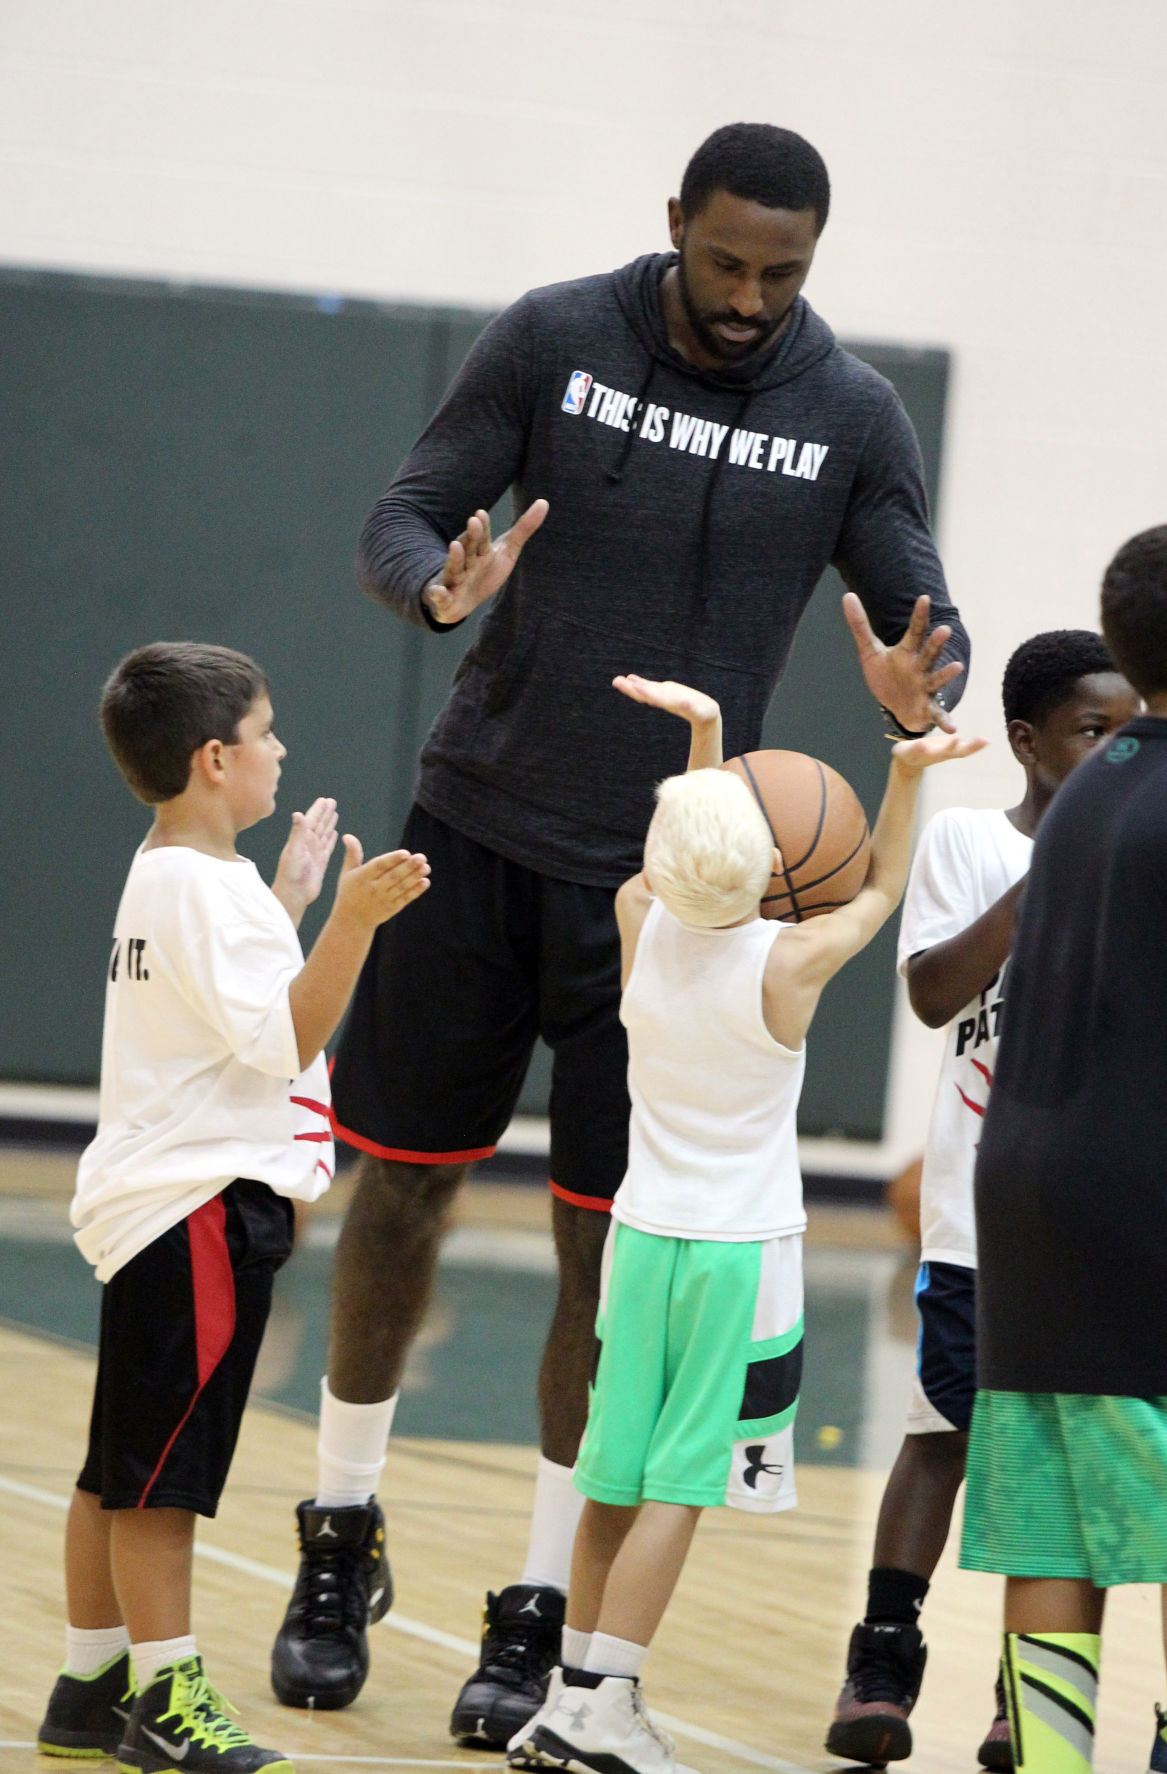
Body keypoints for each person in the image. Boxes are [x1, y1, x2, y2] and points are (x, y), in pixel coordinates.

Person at [269, 120, 971, 1744]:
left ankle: (534, 1607)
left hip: (670, 896)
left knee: (609, 1257)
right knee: (399, 1198)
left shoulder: (848, 412)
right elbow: (409, 512)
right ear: (674, 225)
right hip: (480, 828)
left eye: (778, 273)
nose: (743, 297)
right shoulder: (551, 334)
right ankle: (340, 1529)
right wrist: (435, 590)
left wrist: (920, 679)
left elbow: (918, 598)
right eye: (721, 262)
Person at [500, 672, 984, 1774]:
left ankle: (569, 1696)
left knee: (610, 1473)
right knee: (684, 1480)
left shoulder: (640, 918)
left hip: (641, 1239)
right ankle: (610, 1702)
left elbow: (681, 833)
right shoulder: (792, 960)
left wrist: (709, 737)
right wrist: (903, 775)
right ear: (773, 873)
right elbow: (883, 881)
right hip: (736, 1253)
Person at [35, 643, 429, 1774]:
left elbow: (234, 1010)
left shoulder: (173, 872)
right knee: (163, 1481)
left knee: (121, 1461)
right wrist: (349, 920)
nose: (280, 749)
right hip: (200, 1207)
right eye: (266, 732)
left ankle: (91, 1674)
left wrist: (292, 899)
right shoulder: (206, 894)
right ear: (215, 758)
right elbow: (288, 1035)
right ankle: (167, 1698)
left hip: (157, 1202)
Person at [822, 632, 1138, 1772]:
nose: (1112, 751)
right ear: (1026, 741)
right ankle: (882, 1658)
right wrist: (1048, 883)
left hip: (1103, 1221)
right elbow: (929, 990)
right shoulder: (968, 841)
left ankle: (1028, 1701)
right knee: (941, 1432)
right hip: (977, 1211)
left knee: (1073, 1463)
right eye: (1089, 731)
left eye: (1126, 728)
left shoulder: (1142, 846)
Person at [957, 524, 1167, 1774]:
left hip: (1031, 1185)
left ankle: (1051, 1761)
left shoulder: (1093, 782)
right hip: (1143, 1180)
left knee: (1054, 1528)